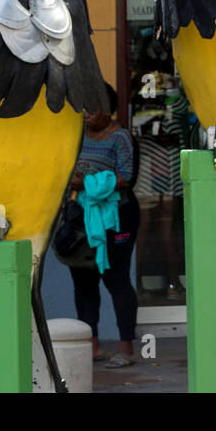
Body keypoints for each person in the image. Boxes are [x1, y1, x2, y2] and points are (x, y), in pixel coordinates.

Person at [69, 83, 141, 367]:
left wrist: (86, 182)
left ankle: (126, 348)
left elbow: (126, 177)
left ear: (108, 110)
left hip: (117, 216)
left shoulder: (121, 138)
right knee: (83, 282)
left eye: (93, 108)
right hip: (81, 218)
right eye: (84, 108)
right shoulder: (75, 136)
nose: (87, 114)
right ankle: (92, 346)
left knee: (117, 280)